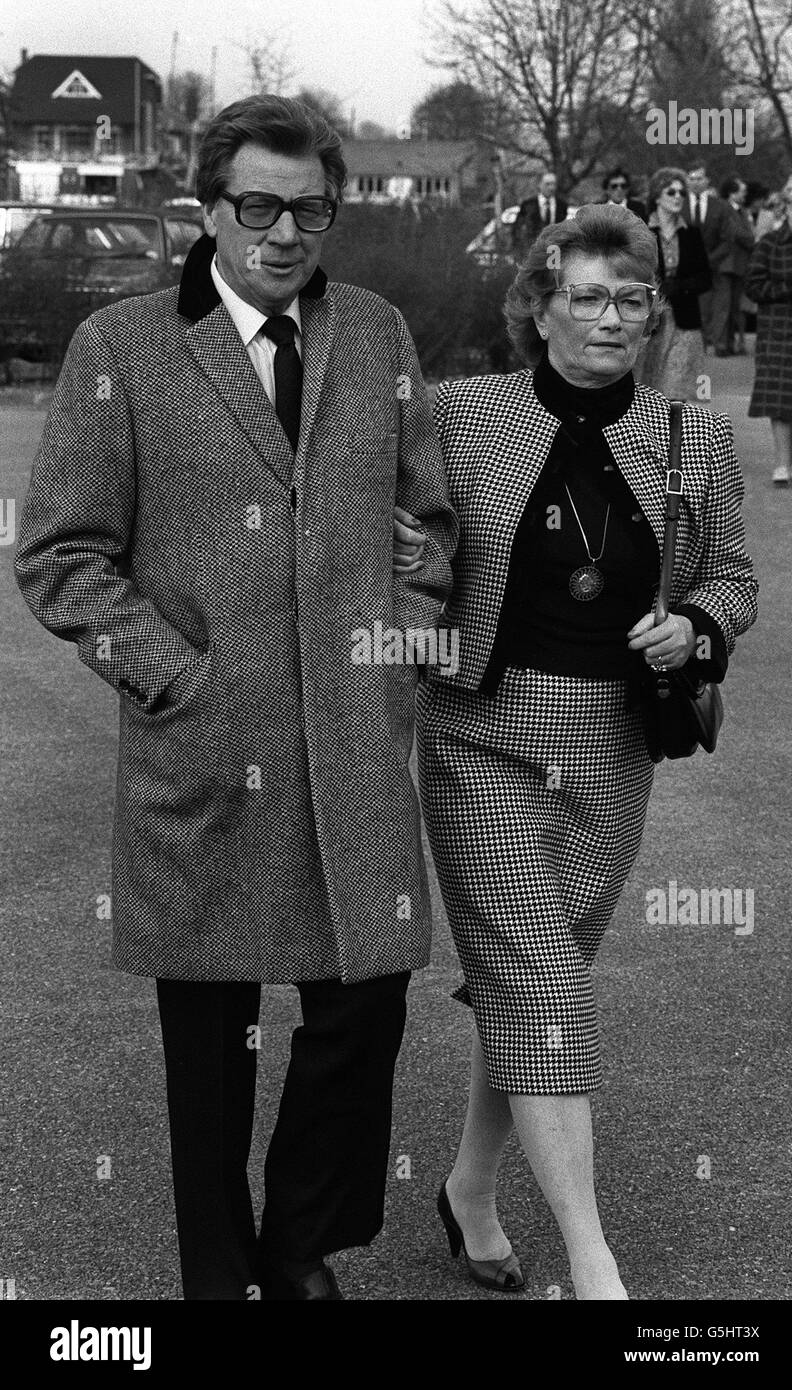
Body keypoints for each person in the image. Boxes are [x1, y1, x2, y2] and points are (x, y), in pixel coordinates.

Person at [14, 94, 457, 1302]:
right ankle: (216, 1273)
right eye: (256, 205)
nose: (283, 230)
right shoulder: (122, 348)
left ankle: (298, 1243)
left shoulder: (374, 333)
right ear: (207, 210)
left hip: (354, 751)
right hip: (204, 748)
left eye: (309, 208)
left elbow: (432, 524)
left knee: (361, 1013)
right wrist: (172, 676)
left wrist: (402, 649)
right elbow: (59, 554)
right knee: (208, 1045)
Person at [413, 204, 757, 1299]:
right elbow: (392, 541)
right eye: (587, 298)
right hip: (481, 736)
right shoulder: (461, 415)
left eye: (633, 299)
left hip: (613, 746)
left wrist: (693, 626)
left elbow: (733, 580)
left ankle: (468, 1190)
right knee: (539, 980)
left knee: (525, 990)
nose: (613, 320)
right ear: (535, 305)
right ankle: (593, 1265)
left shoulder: (687, 434)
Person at [745, 175, 792, 485]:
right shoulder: (768, 243)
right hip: (778, 330)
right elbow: (754, 287)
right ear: (785, 207)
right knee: (781, 398)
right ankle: (781, 463)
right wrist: (791, 289)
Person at [637, 167, 712, 399]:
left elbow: (705, 278)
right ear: (657, 196)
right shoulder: (642, 232)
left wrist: (680, 286)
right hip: (651, 321)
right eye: (671, 192)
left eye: (682, 192)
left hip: (685, 321)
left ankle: (677, 435)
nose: (678, 196)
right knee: (647, 387)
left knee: (678, 391)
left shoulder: (692, 234)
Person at [684, 163, 732, 348]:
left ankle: (714, 340)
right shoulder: (678, 205)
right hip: (686, 267)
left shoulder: (720, 206)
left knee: (715, 305)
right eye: (692, 179)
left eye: (699, 179)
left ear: (707, 181)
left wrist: (709, 260)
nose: (695, 183)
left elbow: (727, 239)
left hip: (713, 264)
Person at [712, 178, 755, 356]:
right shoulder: (724, 208)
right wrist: (751, 239)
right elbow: (738, 233)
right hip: (726, 264)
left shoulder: (742, 211)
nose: (744, 195)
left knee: (734, 307)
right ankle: (721, 344)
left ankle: (729, 343)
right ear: (732, 193)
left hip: (738, 264)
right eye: (742, 191)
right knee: (723, 305)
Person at [513, 171, 569, 256]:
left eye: (553, 184)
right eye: (547, 184)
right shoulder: (528, 205)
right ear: (539, 185)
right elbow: (517, 228)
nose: (551, 188)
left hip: (554, 252)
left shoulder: (562, 205)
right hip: (532, 251)